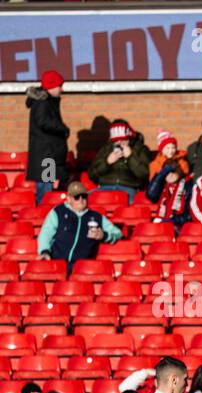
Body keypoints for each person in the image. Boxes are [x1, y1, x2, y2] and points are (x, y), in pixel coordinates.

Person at [36, 181, 122, 276]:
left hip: (82, 268)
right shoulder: (58, 212)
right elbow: (45, 234)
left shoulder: (96, 217)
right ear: (68, 199)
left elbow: (117, 233)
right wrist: (44, 251)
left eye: (84, 196)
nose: (81, 199)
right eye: (76, 197)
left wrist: (104, 235)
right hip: (56, 264)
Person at [26, 70, 69, 205]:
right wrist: (63, 129)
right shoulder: (43, 102)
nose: (61, 89)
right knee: (46, 196)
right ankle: (44, 220)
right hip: (47, 158)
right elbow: (43, 122)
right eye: (59, 86)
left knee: (48, 192)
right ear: (51, 86)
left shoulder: (46, 101)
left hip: (49, 156)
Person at [87, 119, 150, 200]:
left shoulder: (140, 149)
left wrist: (130, 157)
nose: (120, 143)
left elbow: (145, 174)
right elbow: (92, 174)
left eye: (123, 139)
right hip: (105, 187)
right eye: (116, 140)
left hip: (128, 188)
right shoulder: (106, 149)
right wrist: (107, 162)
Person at [147, 130, 192, 232]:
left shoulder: (182, 163)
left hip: (178, 218)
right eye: (167, 148)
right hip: (163, 212)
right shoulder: (156, 165)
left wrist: (179, 174)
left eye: (173, 147)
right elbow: (151, 192)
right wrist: (163, 173)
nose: (171, 151)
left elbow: (185, 171)